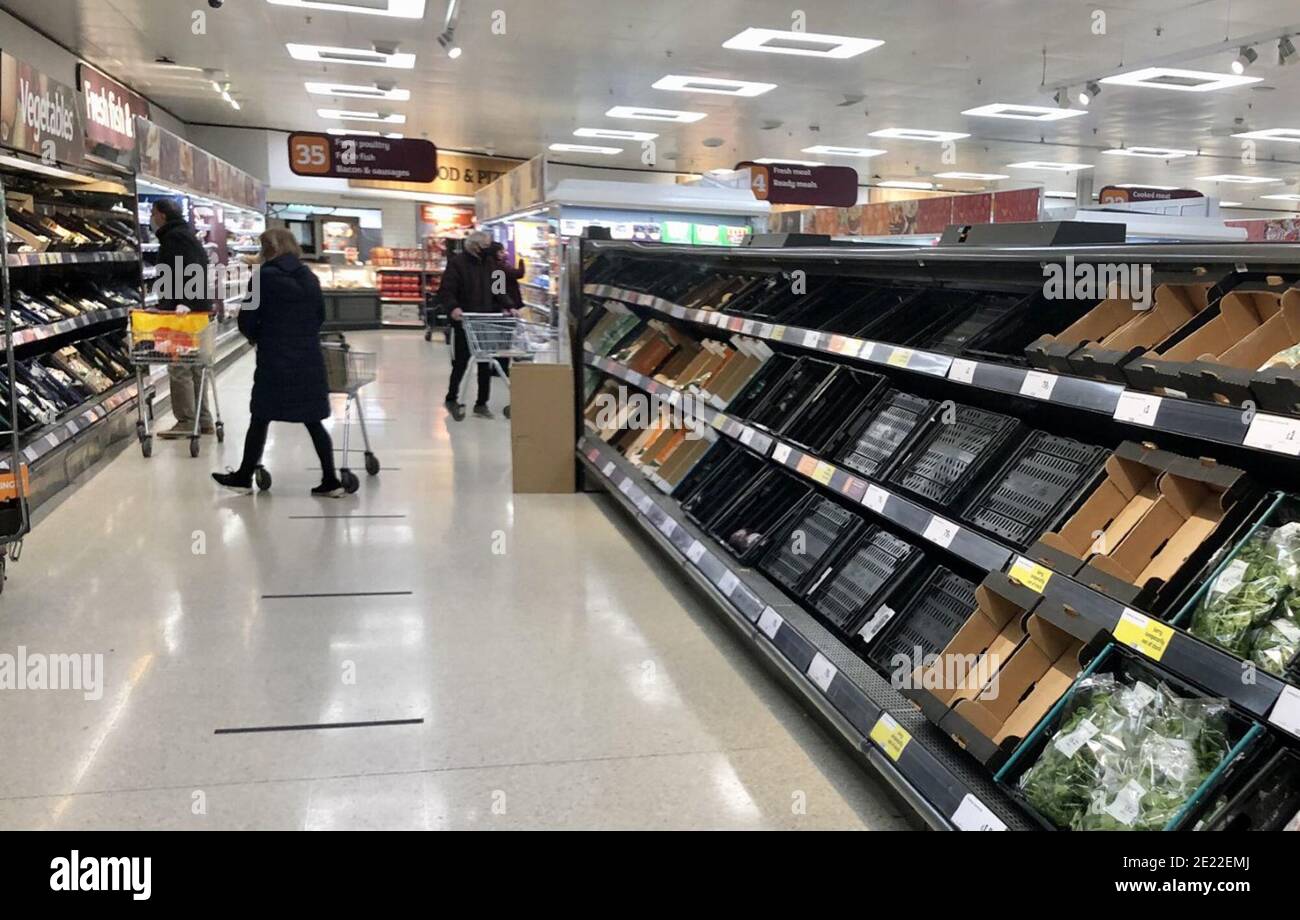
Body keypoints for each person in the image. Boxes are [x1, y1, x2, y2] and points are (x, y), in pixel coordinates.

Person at [212, 229, 343, 497]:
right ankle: (331, 480)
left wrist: (259, 337)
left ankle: (244, 476)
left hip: (274, 359)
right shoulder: (310, 278)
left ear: (268, 250)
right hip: (308, 358)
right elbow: (320, 316)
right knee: (313, 419)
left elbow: (247, 319)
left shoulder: (263, 278)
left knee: (261, 416)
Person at [151, 198, 215, 439]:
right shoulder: (185, 233)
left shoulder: (175, 237)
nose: (152, 218)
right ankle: (204, 419)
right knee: (197, 367)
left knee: (179, 367)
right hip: (195, 312)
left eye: (153, 213)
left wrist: (183, 302)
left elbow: (191, 269)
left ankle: (187, 420)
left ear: (162, 215)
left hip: (183, 314)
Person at [441, 230, 517, 421]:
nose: (489, 249)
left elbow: (499, 289)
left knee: (485, 361)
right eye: (486, 245)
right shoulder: (457, 263)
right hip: (465, 320)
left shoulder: (492, 265)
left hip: (487, 318)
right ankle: (451, 398)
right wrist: (453, 308)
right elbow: (447, 289)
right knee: (461, 361)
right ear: (475, 246)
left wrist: (509, 306)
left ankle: (481, 403)